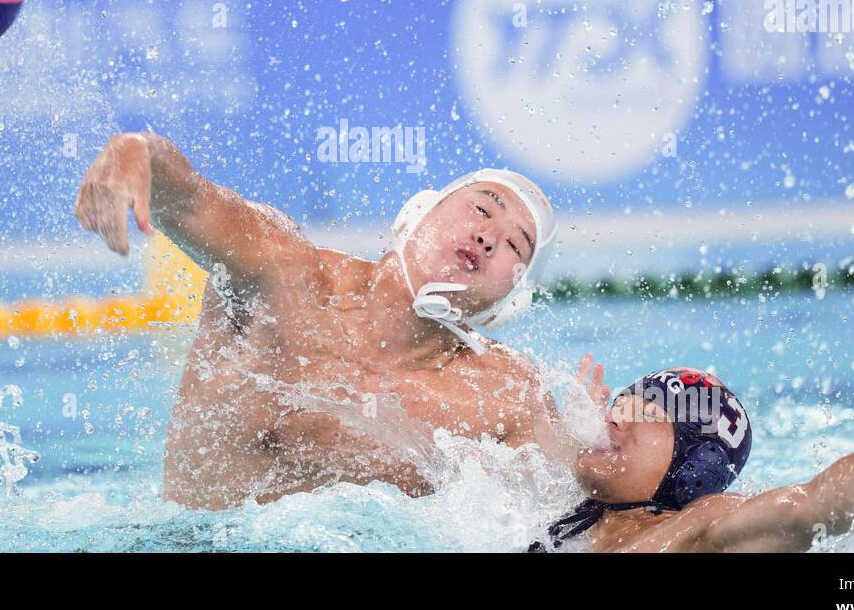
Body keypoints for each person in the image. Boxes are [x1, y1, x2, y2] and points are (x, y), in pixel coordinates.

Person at [74, 130, 567, 509]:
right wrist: (135, 153)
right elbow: (188, 197)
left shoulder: (509, 398)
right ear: (418, 212)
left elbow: (555, 521)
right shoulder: (283, 275)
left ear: (511, 301)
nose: (487, 236)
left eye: (515, 245)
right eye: (482, 208)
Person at [533, 358, 854, 552]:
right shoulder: (553, 513)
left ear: (690, 471)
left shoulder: (700, 527)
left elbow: (807, 507)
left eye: (642, 415)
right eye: (619, 406)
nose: (611, 420)